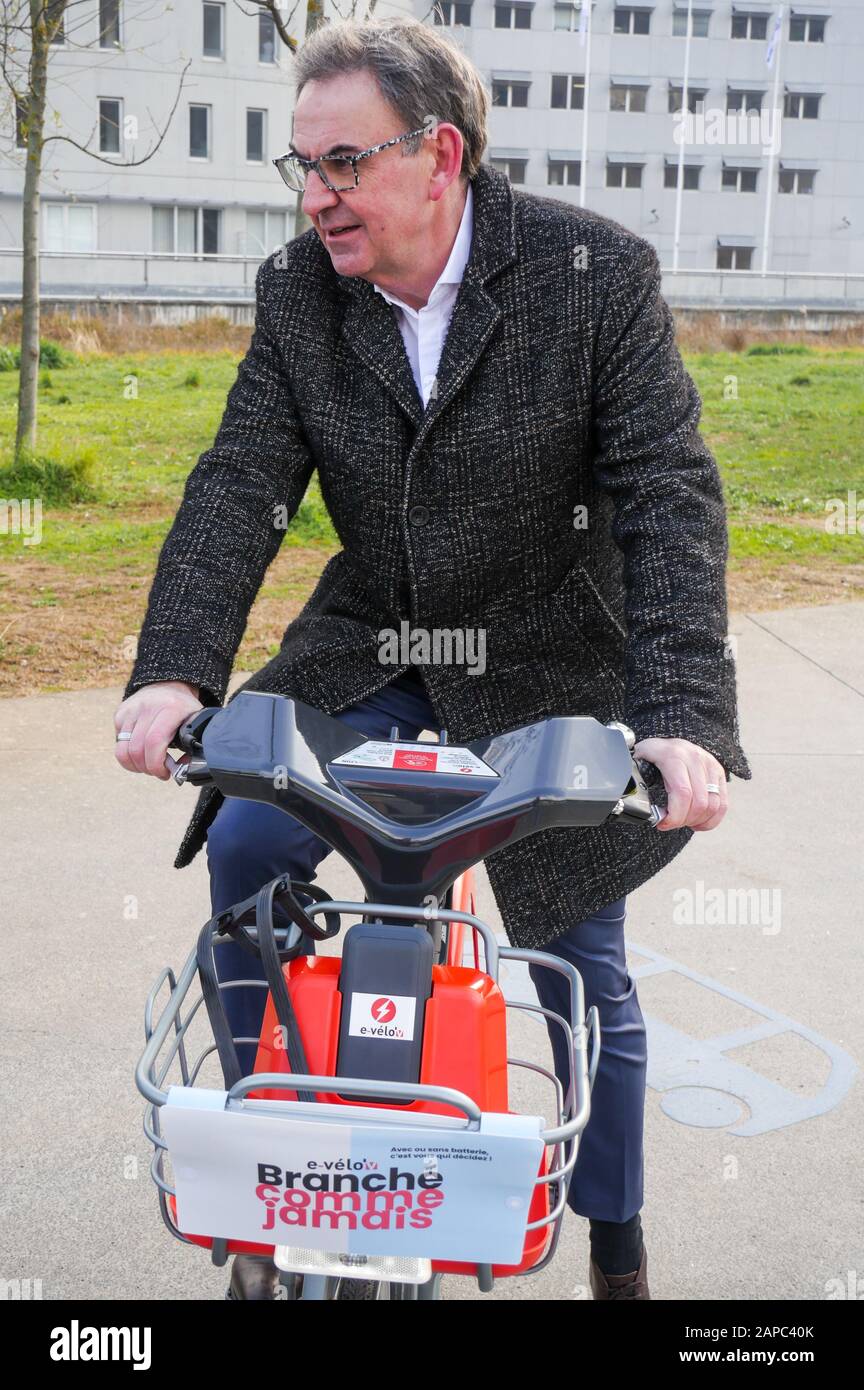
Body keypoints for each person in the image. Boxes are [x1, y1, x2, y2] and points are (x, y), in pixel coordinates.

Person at [114, 17, 750, 1301]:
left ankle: (613, 1242)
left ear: (440, 156)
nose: (314, 198)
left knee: (583, 959)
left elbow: (665, 494)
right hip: (379, 635)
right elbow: (243, 479)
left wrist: (678, 714)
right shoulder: (301, 289)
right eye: (300, 167)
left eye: (341, 164)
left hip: (551, 647)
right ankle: (274, 1176)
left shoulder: (590, 273)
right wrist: (175, 669)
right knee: (244, 842)